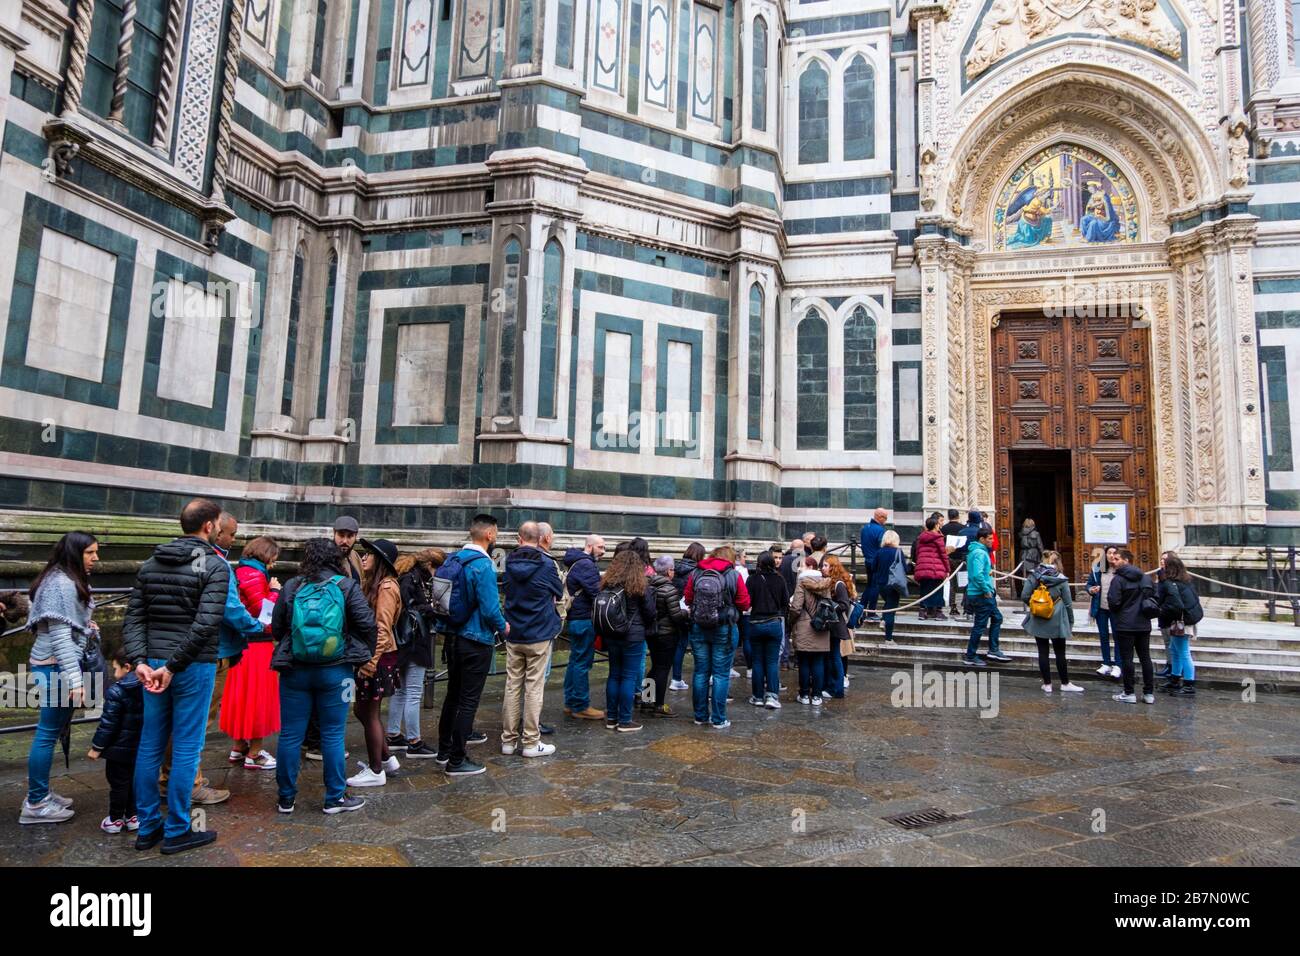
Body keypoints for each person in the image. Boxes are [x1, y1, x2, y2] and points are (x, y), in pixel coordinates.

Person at [125, 498, 231, 854]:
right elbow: (207, 623)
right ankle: (178, 829)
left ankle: (148, 827)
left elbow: (134, 618)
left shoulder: (151, 563)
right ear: (209, 526)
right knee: (187, 746)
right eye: (217, 523)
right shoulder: (214, 565)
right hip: (191, 666)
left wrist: (141, 661)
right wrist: (172, 667)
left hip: (153, 664)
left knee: (150, 745)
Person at [271, 538, 376, 814]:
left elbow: (277, 627)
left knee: (291, 735)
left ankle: (285, 798)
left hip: (295, 671)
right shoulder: (346, 586)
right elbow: (368, 623)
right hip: (338, 672)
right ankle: (335, 798)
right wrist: (360, 655)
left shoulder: (292, 586)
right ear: (335, 559)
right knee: (333, 734)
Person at [20, 531, 100, 825]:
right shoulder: (60, 584)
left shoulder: (62, 578)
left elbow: (68, 629)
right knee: (47, 733)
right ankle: (36, 803)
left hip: (56, 667)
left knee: (50, 732)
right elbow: (60, 638)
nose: (96, 558)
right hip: (55, 668)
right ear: (74, 553)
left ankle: (40, 793)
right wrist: (76, 682)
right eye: (90, 552)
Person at [436, 514, 509, 776]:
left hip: (452, 637)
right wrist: (503, 626)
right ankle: (457, 759)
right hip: (475, 639)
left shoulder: (453, 559)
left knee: (452, 696)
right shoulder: (484, 565)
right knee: (468, 701)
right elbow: (490, 609)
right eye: (496, 532)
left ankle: (443, 751)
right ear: (489, 534)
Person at [303, 516, 364, 761]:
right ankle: (318, 743)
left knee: (336, 692)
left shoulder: (356, 558)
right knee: (328, 691)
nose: (345, 540)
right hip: (325, 632)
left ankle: (316, 739)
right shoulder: (325, 558)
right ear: (333, 533)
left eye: (350, 536)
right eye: (341, 535)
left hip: (345, 635)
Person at [502, 521, 563, 756]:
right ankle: (530, 742)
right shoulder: (547, 564)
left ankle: (508, 741)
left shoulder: (509, 561)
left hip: (514, 632)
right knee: (534, 688)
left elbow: (506, 589)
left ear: (519, 538)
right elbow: (558, 591)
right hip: (538, 633)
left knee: (512, 685)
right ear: (540, 539)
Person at [221, 535, 281, 770]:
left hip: (242, 645)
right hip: (257, 645)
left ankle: (239, 747)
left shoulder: (241, 571)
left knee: (242, 697)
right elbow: (263, 613)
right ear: (265, 555)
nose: (273, 564)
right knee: (258, 698)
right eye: (273, 558)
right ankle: (254, 754)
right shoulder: (256, 576)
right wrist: (275, 591)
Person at [348, 538, 404, 786]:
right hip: (375, 655)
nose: (363, 558)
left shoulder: (387, 587)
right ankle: (386, 760)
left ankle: (375, 770)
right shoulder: (375, 584)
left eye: (369, 554)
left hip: (379, 657)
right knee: (365, 710)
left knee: (367, 711)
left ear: (380, 560)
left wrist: (370, 664)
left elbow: (382, 628)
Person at [684, 545, 751, 728]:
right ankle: (719, 719)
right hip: (725, 627)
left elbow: (688, 598)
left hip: (699, 626)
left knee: (700, 672)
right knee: (721, 674)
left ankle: (700, 716)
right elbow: (744, 603)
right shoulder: (734, 575)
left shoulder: (696, 572)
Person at [387, 547, 445, 756]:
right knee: (413, 693)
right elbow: (414, 611)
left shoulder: (405, 576)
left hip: (402, 643)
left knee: (400, 691)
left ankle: (393, 734)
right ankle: (414, 741)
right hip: (414, 642)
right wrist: (433, 609)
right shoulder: (413, 580)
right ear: (431, 566)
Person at [596, 549, 658, 732]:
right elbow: (650, 612)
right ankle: (625, 720)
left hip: (611, 634)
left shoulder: (607, 583)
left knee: (614, 674)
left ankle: (612, 718)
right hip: (633, 636)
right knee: (629, 676)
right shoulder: (639, 585)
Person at [87, 639, 143, 833]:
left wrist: (96, 748)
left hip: (118, 751)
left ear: (127, 667)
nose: (114, 673)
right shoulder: (149, 687)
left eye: (116, 668)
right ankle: (133, 816)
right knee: (134, 782)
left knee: (118, 785)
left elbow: (108, 725)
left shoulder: (117, 691)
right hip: (140, 748)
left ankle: (115, 820)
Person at [1021, 550, 1082, 693]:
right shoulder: (1061, 579)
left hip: (1038, 617)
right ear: (1057, 563)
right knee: (1060, 652)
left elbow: (1024, 595)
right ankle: (1065, 683)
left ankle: (1047, 684)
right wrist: (1071, 620)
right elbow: (1067, 603)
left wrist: (1036, 606)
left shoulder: (1034, 576)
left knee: (1043, 652)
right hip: (1058, 617)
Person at [561, 534, 606, 719]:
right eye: (601, 547)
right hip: (584, 619)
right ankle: (580, 706)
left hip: (576, 619)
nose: (603, 552)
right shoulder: (586, 565)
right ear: (589, 546)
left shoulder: (576, 562)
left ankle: (570, 702)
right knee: (582, 663)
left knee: (575, 661)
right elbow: (596, 592)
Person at [1108, 549, 1157, 705]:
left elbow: (1113, 602)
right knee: (1145, 658)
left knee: (1127, 659)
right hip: (1143, 624)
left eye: (1116, 559)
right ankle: (1149, 693)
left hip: (1125, 624)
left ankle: (1129, 692)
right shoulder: (1146, 578)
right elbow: (1154, 598)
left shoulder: (1118, 580)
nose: (1112, 561)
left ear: (1126, 560)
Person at [962, 527, 1011, 666]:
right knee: (980, 625)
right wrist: (986, 589)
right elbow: (977, 574)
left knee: (997, 618)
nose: (992, 541)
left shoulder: (978, 551)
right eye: (989, 539)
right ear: (982, 539)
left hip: (981, 592)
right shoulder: (979, 553)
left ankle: (993, 650)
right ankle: (970, 655)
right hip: (981, 594)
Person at [746, 551, 789, 708]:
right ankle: (771, 696)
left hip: (756, 622)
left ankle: (757, 696)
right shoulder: (779, 579)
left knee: (757, 661)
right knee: (771, 661)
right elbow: (785, 602)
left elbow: (746, 601)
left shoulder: (752, 579)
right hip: (773, 622)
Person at [647, 555, 689, 717]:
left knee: (655, 667)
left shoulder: (649, 585)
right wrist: (686, 612)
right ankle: (658, 705)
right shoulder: (669, 589)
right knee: (663, 669)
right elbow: (676, 615)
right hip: (666, 634)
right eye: (672, 569)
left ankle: (646, 700)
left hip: (652, 633)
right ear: (669, 571)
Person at [789, 558, 834, 706]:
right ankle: (816, 695)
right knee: (818, 662)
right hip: (821, 626)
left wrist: (791, 621)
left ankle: (803, 694)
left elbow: (796, 607)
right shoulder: (826, 582)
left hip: (804, 626)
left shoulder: (801, 582)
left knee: (804, 662)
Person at [1157, 552, 1201, 698]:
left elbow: (1175, 604)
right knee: (1174, 650)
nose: (1161, 563)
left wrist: (1161, 611)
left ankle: (1189, 684)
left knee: (1183, 652)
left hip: (1180, 622)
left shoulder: (1171, 584)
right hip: (1183, 620)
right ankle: (1175, 679)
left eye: (1165, 562)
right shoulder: (1185, 581)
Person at [669, 541, 707, 691]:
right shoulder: (697, 571)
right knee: (697, 645)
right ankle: (702, 678)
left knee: (679, 645)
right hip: (691, 612)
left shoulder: (675, 568)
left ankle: (675, 679)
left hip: (675, 611)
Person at [822, 554, 857, 693]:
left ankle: (837, 689)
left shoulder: (838, 584)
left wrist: (828, 606)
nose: (822, 568)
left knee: (835, 656)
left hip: (836, 625)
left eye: (825, 565)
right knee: (832, 655)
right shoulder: (829, 582)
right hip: (832, 624)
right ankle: (833, 686)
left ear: (833, 567)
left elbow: (844, 604)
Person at [1086, 547, 1122, 679]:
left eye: (1114, 553)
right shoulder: (1098, 569)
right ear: (1105, 555)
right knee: (1103, 635)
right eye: (1109, 553)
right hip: (1101, 607)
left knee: (1118, 636)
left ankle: (1118, 664)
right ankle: (1106, 662)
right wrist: (1091, 589)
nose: (1112, 556)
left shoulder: (1121, 569)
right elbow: (1089, 584)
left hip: (1116, 608)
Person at [868, 532, 904, 645]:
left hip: (881, 584)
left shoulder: (879, 552)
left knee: (888, 604)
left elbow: (873, 567)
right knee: (891, 610)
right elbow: (904, 568)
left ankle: (883, 619)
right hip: (894, 584)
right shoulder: (898, 552)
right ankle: (888, 638)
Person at [913, 515, 951, 621]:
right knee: (938, 590)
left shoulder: (921, 537)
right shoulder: (938, 538)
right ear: (935, 525)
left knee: (924, 589)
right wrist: (947, 569)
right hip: (936, 567)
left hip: (923, 566)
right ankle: (938, 613)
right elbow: (943, 555)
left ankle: (922, 611)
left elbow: (917, 553)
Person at [859, 508, 888, 622]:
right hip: (876, 561)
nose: (885, 521)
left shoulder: (865, 528)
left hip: (868, 560)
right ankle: (871, 611)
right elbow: (882, 546)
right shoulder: (880, 530)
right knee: (875, 586)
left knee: (869, 585)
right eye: (885, 518)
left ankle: (861, 609)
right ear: (880, 517)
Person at [940, 509, 967, 617]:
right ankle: (966, 605)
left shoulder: (944, 528)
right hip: (961, 559)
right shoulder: (963, 528)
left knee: (951, 583)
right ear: (958, 516)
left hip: (949, 558)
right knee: (964, 581)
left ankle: (953, 606)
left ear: (948, 516)